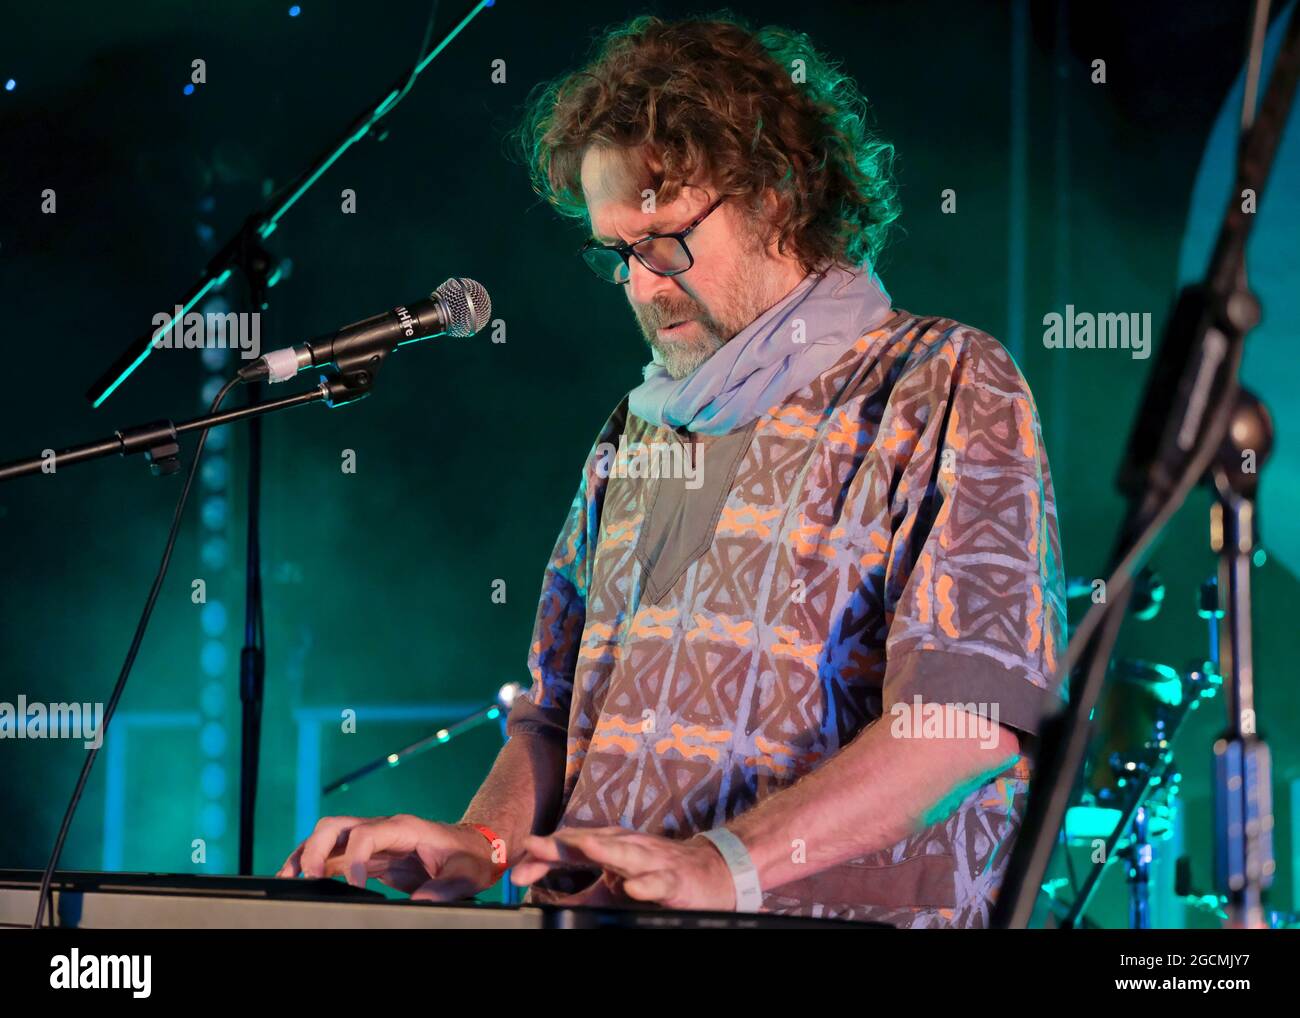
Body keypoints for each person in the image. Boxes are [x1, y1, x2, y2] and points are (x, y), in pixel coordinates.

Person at [279, 13, 1066, 929]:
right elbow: (553, 716)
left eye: (664, 243)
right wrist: (482, 844)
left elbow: (964, 721)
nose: (643, 286)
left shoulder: (939, 380)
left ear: (776, 194)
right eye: (617, 254)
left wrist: (721, 865)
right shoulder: (632, 432)